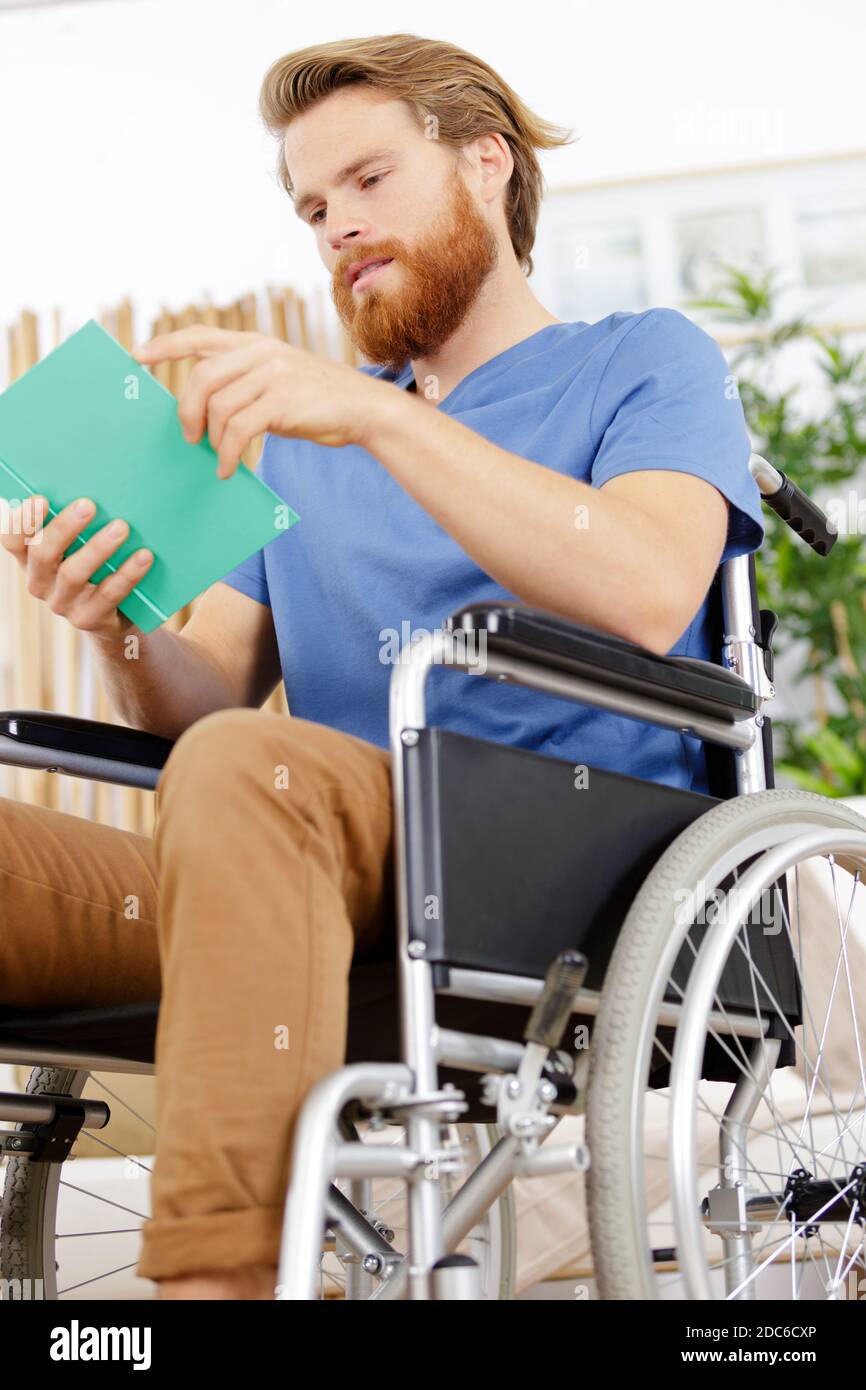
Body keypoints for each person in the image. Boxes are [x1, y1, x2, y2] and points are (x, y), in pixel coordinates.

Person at [0, 33, 764, 1299]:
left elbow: (644, 586)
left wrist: (377, 414)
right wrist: (119, 624)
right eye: (311, 207)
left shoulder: (640, 358)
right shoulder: (297, 447)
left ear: (482, 164)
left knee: (262, 773)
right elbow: (211, 705)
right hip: (299, 856)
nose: (335, 227)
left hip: (552, 872)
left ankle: (214, 1287)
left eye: (366, 180)